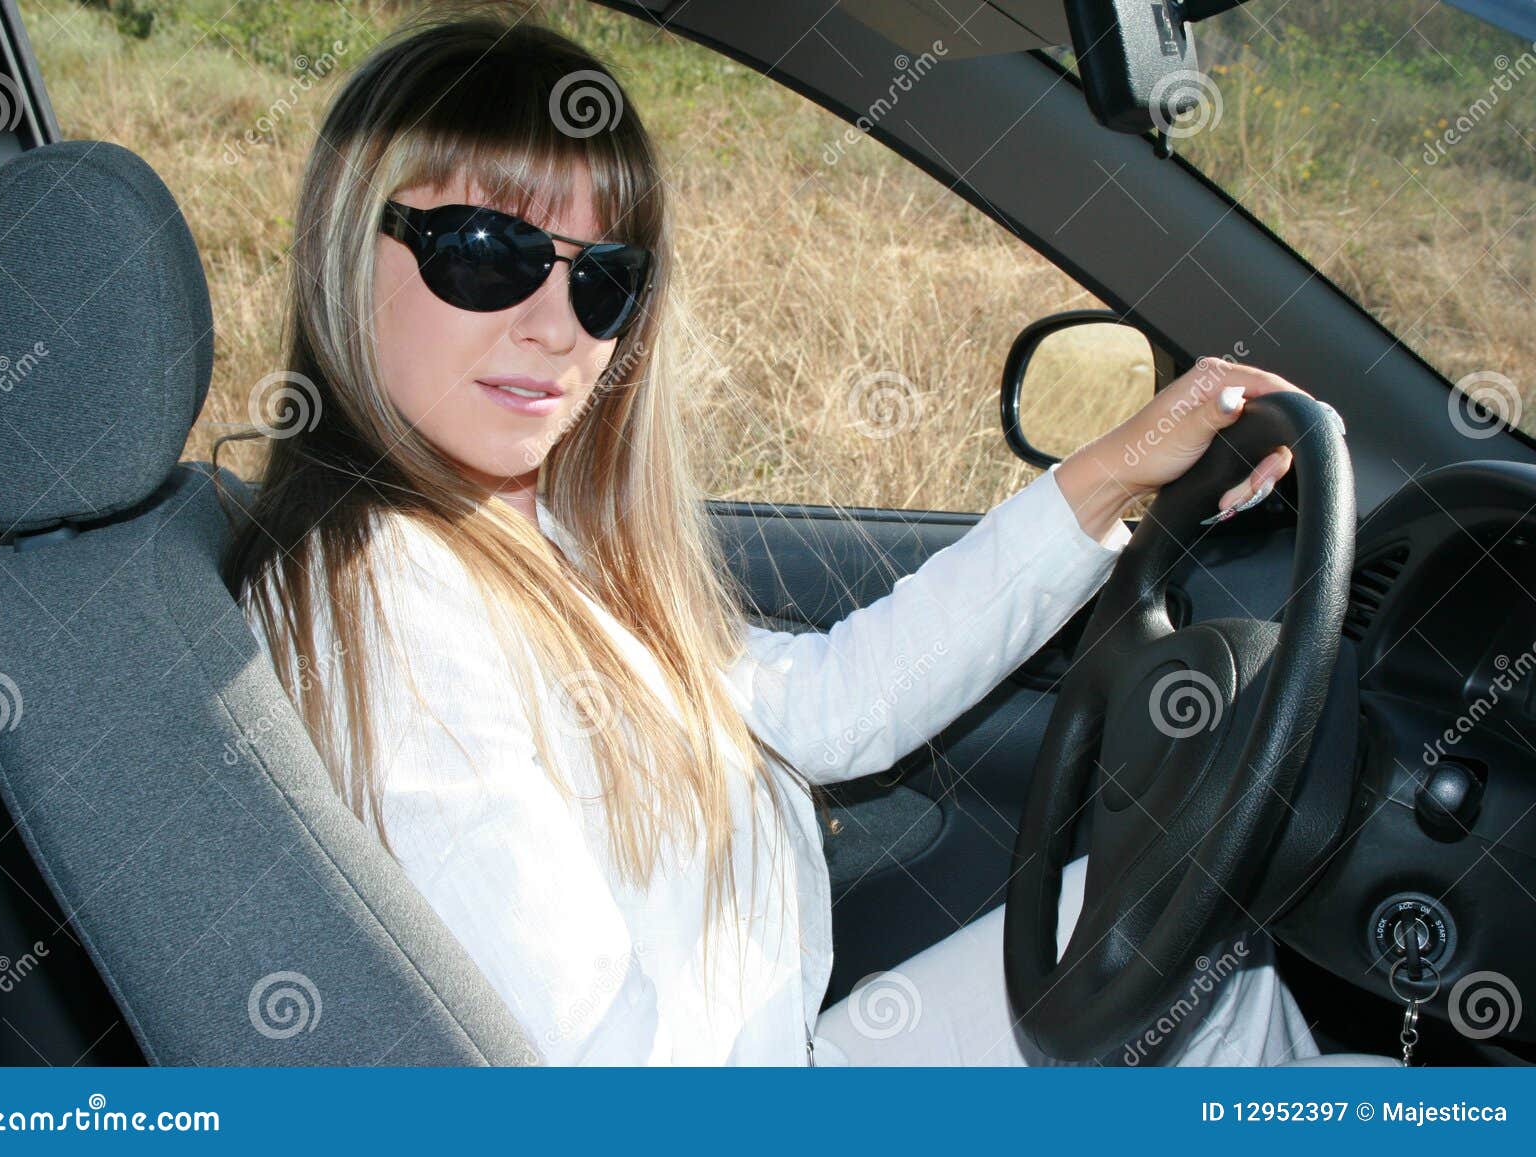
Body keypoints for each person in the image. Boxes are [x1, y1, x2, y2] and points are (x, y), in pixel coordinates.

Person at [221, 0, 1316, 1066]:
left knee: (1200, 935)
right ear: (345, 247)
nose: (556, 325)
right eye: (483, 251)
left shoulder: (519, 532)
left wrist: (1115, 467)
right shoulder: (388, 603)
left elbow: (819, 707)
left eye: (603, 279)